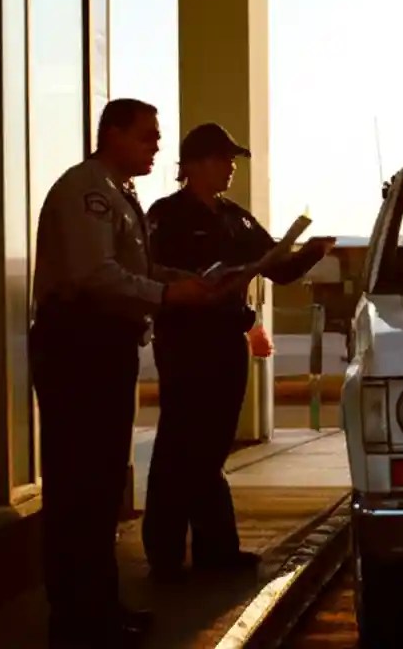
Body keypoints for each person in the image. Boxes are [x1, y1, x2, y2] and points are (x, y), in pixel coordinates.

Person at [29, 98, 217, 647]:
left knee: (102, 484)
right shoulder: (87, 191)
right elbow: (95, 276)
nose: (157, 145)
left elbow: (132, 267)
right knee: (79, 487)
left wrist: (183, 280)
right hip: (78, 347)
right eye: (146, 135)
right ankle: (77, 620)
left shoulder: (118, 193)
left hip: (105, 348)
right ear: (112, 133)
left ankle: (100, 608)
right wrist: (165, 293)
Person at [141, 122, 335, 580]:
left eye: (232, 160)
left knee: (210, 449)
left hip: (226, 344)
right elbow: (152, 271)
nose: (230, 167)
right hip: (185, 343)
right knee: (178, 447)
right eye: (221, 159)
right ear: (191, 165)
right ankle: (166, 553)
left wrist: (309, 252)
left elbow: (278, 268)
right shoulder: (166, 215)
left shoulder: (237, 218)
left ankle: (215, 550)